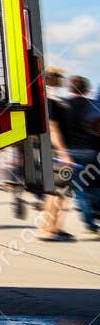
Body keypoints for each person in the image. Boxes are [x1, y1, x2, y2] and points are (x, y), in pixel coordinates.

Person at [38, 69, 76, 241]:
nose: (62, 79)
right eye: (58, 76)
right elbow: (53, 129)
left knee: (58, 192)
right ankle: (49, 230)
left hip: (55, 151)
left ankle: (53, 228)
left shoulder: (51, 99)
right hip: (57, 151)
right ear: (49, 78)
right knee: (58, 192)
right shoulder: (49, 100)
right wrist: (64, 153)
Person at [65, 74, 100, 235]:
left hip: (71, 152)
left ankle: (89, 222)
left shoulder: (63, 105)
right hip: (92, 150)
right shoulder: (93, 105)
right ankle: (95, 212)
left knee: (80, 188)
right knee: (95, 185)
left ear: (69, 88)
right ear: (87, 88)